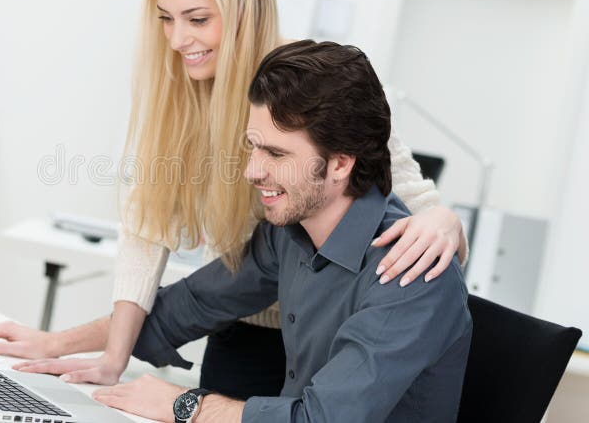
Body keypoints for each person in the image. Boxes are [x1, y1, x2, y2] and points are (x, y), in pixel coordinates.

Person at [0, 0, 468, 399]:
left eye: (198, 19)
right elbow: (149, 233)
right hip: (242, 325)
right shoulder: (179, 90)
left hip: (328, 329)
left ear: (244, 10)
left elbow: (398, 186)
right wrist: (107, 358)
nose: (178, 39)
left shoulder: (306, 83)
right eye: (166, 19)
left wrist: (445, 221)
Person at [89, 40, 472, 423]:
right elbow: (187, 307)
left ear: (339, 163)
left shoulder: (408, 274)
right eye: (253, 147)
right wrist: (51, 347)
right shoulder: (292, 234)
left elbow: (319, 420)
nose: (251, 171)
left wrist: (185, 405)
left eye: (276, 154)